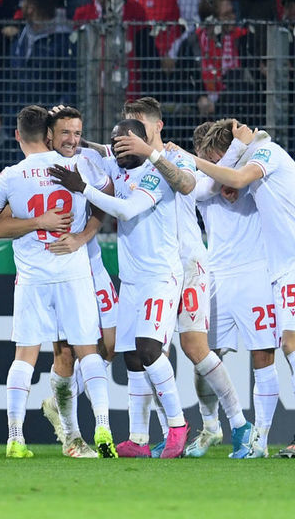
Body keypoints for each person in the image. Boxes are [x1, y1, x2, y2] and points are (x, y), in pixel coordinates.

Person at [114, 98, 257, 458]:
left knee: (195, 348)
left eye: (140, 125)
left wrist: (239, 146)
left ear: (157, 127)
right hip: (153, 270)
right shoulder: (128, 166)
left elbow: (196, 185)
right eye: (128, 125)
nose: (132, 133)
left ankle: (239, 423)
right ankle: (167, 432)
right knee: (149, 353)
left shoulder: (175, 158)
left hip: (189, 264)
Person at [0, 105, 118, 459]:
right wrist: (73, 230)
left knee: (24, 355)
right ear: (50, 135)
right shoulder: (77, 166)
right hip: (73, 273)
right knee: (88, 349)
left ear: (18, 135)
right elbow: (108, 194)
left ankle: (15, 438)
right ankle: (104, 426)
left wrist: (36, 221)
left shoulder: (10, 176)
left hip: (33, 277)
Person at [51, 119, 189, 459]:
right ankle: (138, 439)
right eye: (116, 145)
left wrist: (82, 188)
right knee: (130, 357)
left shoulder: (156, 174)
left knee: (148, 349)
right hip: (131, 280)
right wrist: (66, 138)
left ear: (142, 144)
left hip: (160, 277)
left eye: (127, 145)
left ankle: (178, 426)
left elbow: (126, 210)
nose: (119, 152)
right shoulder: (117, 162)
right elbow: (96, 150)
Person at [173, 118, 295, 458]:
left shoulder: (255, 171)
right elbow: (207, 187)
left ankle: (260, 438)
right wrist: (218, 166)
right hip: (215, 276)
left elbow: (238, 178)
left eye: (214, 156)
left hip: (257, 271)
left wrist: (233, 161)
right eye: (204, 156)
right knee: (202, 356)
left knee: (265, 354)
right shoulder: (200, 179)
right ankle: (211, 425)